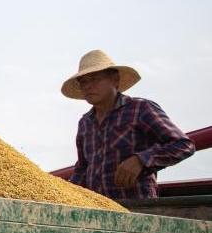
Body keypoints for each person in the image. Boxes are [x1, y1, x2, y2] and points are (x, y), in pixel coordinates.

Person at [63, 50, 194, 200]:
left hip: (137, 206)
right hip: (98, 207)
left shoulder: (140, 109)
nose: (88, 86)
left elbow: (184, 145)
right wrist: (67, 193)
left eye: (94, 79)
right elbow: (83, 168)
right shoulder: (85, 123)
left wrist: (141, 160)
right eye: (83, 82)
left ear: (115, 80)